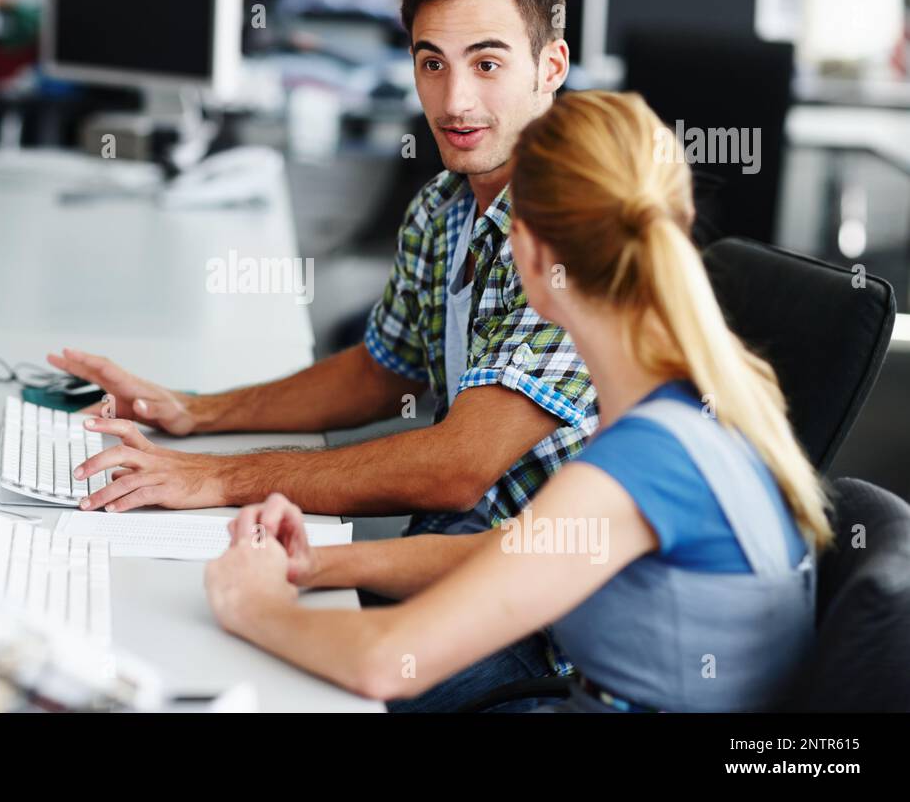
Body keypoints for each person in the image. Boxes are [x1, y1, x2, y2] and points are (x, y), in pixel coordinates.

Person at [54, 0, 594, 710]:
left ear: (551, 66)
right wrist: (194, 411)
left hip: (545, 630)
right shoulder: (445, 205)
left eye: (487, 63)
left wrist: (216, 477)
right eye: (431, 63)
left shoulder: (572, 225)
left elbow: (457, 466)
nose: (455, 102)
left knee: (222, 666)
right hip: (450, 557)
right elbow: (382, 370)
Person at [201, 91, 831, 712]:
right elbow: (513, 553)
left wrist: (249, 605)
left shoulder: (641, 463)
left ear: (526, 250)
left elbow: (384, 662)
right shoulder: (692, 410)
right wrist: (314, 565)